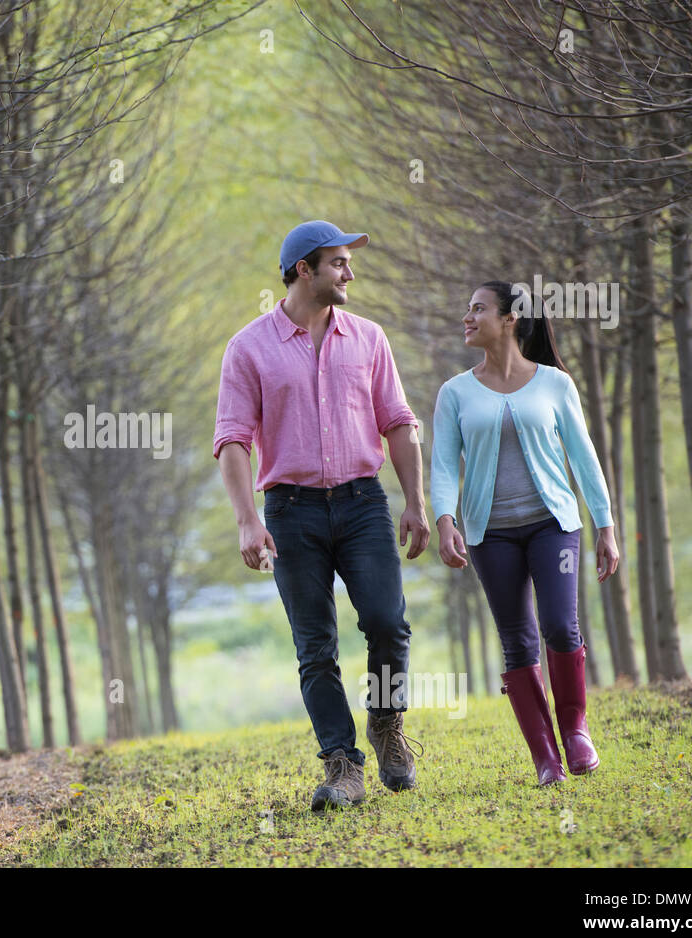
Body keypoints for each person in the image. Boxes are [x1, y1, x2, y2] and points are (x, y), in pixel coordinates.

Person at [213, 220, 431, 810]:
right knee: (315, 646)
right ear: (303, 269)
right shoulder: (248, 348)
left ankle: (386, 726)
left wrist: (415, 501)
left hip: (363, 503)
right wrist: (246, 520)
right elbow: (233, 440)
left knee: (387, 622)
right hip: (291, 512)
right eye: (338, 263)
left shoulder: (369, 338)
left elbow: (399, 423)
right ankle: (341, 763)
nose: (349, 273)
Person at [430, 281, 620, 786]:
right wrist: (444, 520)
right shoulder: (455, 393)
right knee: (517, 640)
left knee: (560, 626)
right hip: (490, 533)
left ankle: (575, 731)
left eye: (478, 309)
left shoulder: (555, 384)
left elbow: (584, 458)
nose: (467, 317)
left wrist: (606, 526)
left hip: (552, 525)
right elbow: (445, 465)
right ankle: (545, 758)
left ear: (510, 318)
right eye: (467, 308)